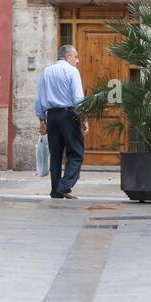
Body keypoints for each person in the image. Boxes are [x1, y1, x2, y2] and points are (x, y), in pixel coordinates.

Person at [35, 45, 88, 199]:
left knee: (56, 154)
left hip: (52, 116)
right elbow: (78, 98)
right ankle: (64, 186)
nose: (77, 61)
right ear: (67, 57)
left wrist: (42, 120)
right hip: (68, 115)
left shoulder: (46, 71)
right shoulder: (72, 71)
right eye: (75, 57)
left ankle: (56, 191)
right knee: (76, 152)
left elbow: (39, 97)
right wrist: (84, 118)